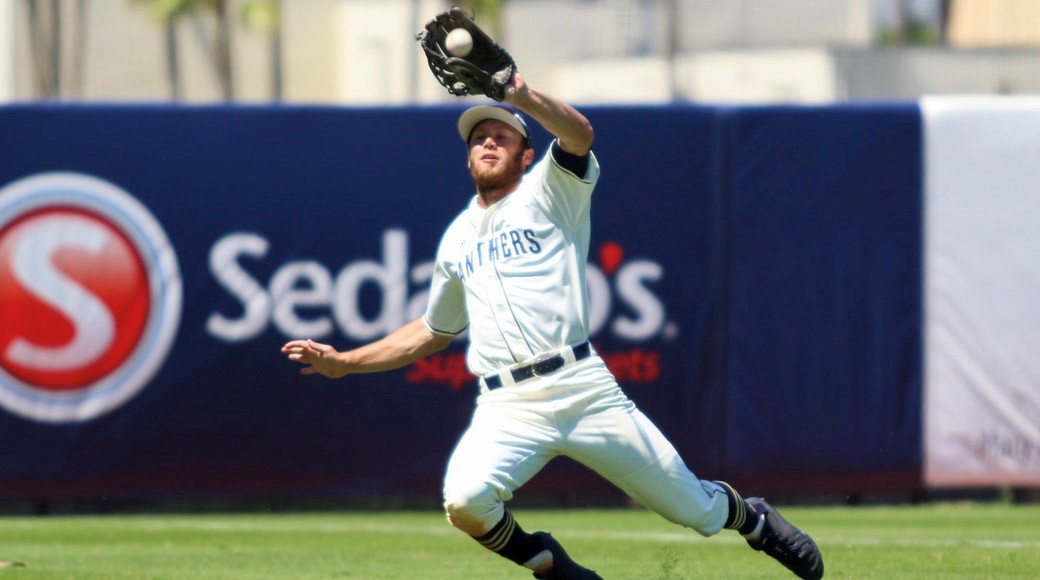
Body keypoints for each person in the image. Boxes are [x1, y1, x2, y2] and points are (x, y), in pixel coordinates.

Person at [281, 71, 824, 579]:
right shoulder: (457, 239)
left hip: (582, 388)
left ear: (525, 154)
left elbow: (581, 133)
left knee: (694, 510)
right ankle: (549, 564)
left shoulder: (550, 192)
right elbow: (432, 330)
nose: (487, 143)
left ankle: (752, 521)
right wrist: (345, 363)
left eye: (501, 136)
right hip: (506, 407)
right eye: (478, 138)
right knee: (465, 502)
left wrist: (519, 94)